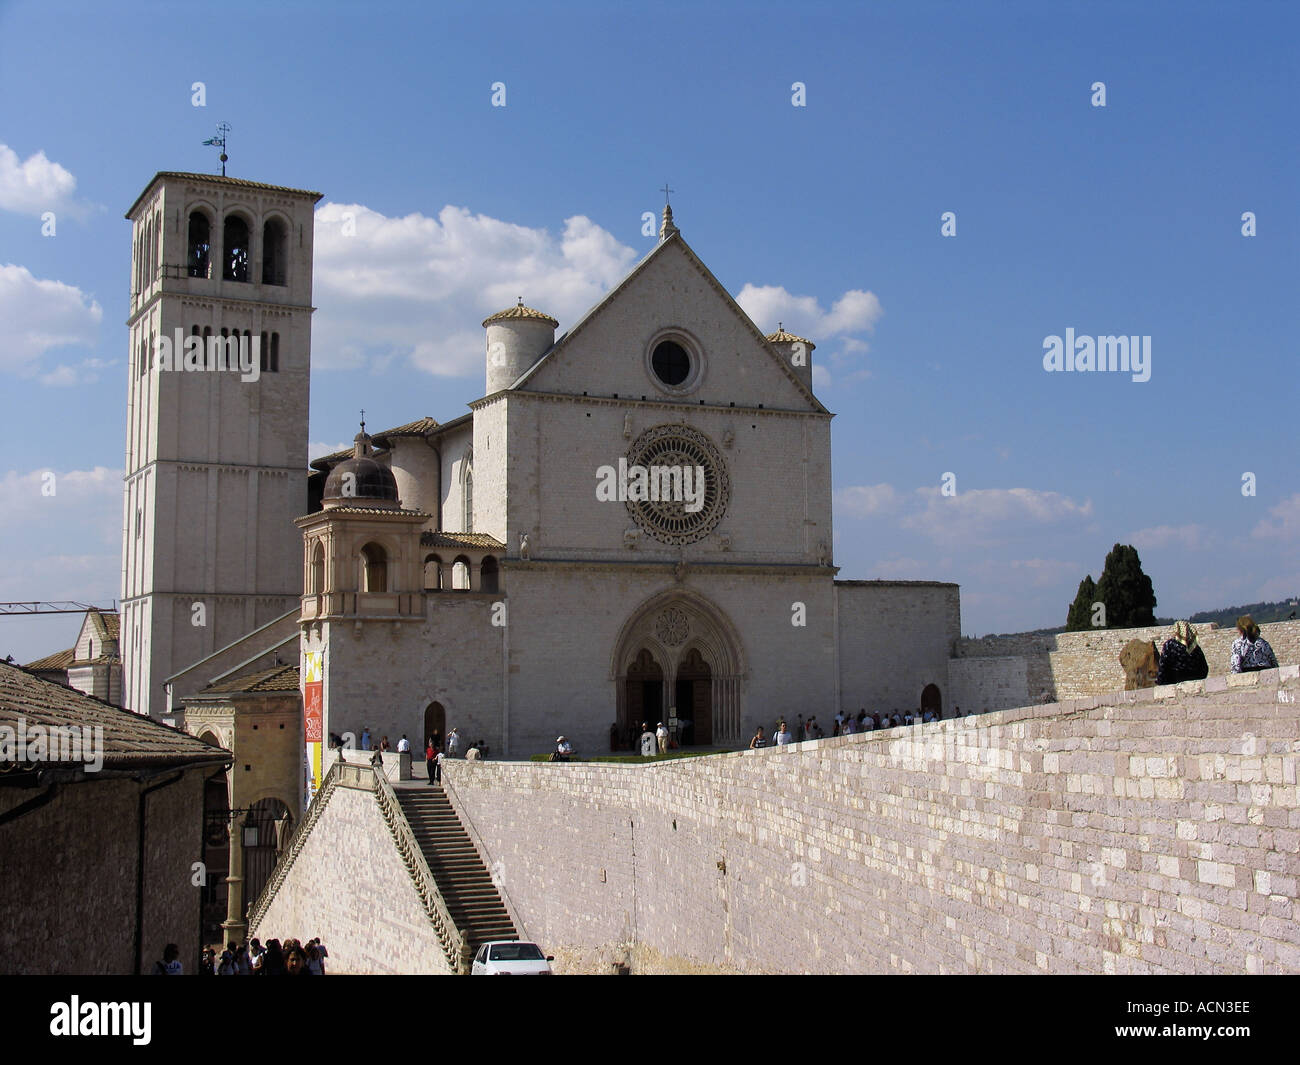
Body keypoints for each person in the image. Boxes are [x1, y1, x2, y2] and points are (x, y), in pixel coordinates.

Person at [1157, 620, 1209, 685]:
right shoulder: (1194, 647)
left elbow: (1163, 665)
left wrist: (1161, 682)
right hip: (1195, 682)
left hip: (1173, 682)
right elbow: (1204, 668)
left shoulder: (1169, 645)